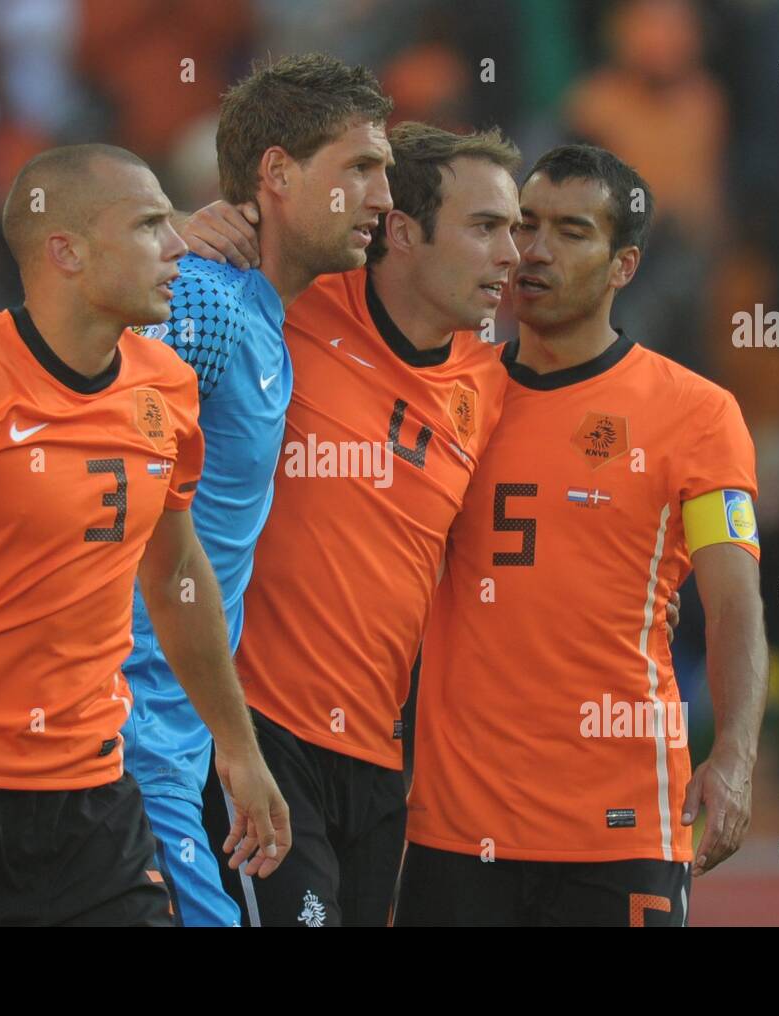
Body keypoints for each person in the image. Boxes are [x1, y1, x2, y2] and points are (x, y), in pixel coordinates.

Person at [0, 144, 288, 927]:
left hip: (91, 803)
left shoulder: (165, 384)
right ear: (65, 251)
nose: (177, 245)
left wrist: (236, 748)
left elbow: (176, 577)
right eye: (147, 225)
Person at [395, 144, 768, 926]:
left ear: (623, 264)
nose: (534, 251)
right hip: (458, 826)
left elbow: (734, 604)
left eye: (571, 231)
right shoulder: (451, 391)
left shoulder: (696, 414)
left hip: (619, 822)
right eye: (524, 225)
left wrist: (732, 758)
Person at [187, 121, 523, 925]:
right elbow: (110, 291)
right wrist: (180, 229)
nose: (511, 255)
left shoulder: (492, 384)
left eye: (514, 231)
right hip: (259, 734)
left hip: (379, 762)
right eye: (485, 228)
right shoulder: (290, 307)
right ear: (401, 233)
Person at [119, 53, 395, 925]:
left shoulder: (253, 307)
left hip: (171, 733)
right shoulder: (204, 304)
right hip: (123, 727)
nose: (383, 200)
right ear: (277, 173)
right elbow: (62, 410)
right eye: (361, 169)